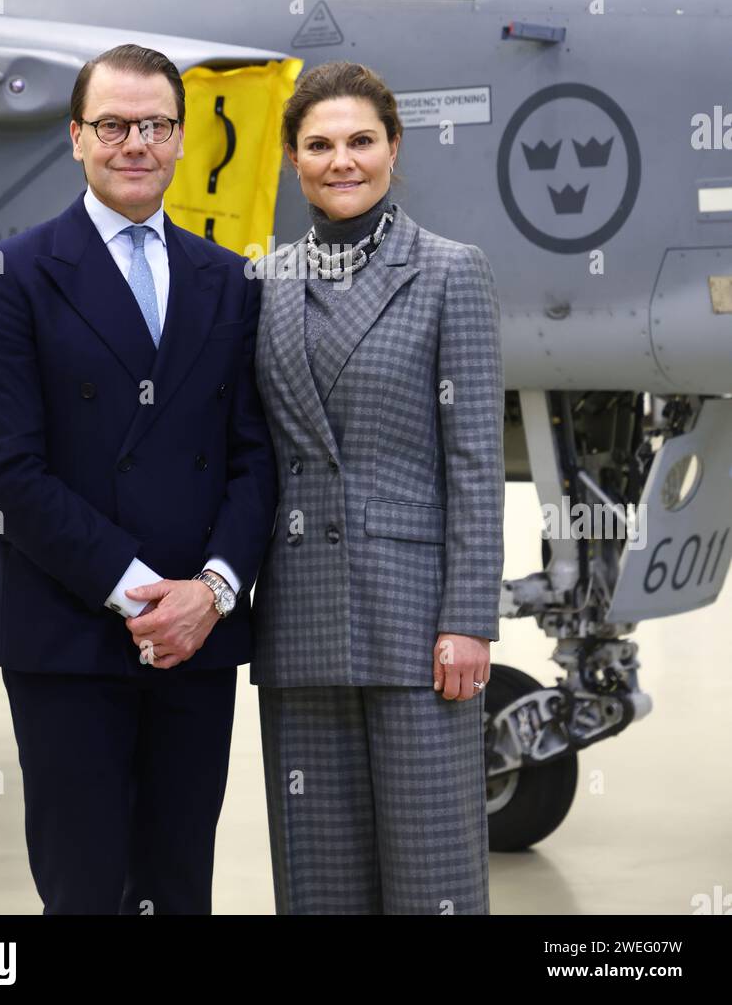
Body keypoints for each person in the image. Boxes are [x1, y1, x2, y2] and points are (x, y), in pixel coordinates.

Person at [0, 42, 277, 915]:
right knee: (83, 889)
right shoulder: (9, 276)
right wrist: (144, 595)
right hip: (67, 630)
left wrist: (209, 592)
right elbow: (7, 473)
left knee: (179, 886)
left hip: (196, 639)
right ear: (75, 138)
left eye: (155, 126)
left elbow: (255, 457)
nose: (134, 143)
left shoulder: (230, 279)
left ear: (180, 141)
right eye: (112, 125)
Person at [249, 60, 505, 915]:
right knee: (318, 885)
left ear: (394, 148)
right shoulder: (268, 284)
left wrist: (467, 618)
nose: (341, 160)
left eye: (360, 141)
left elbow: (472, 457)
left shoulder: (448, 272)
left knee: (431, 877)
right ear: (292, 159)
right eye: (318, 145)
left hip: (415, 624)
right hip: (299, 621)